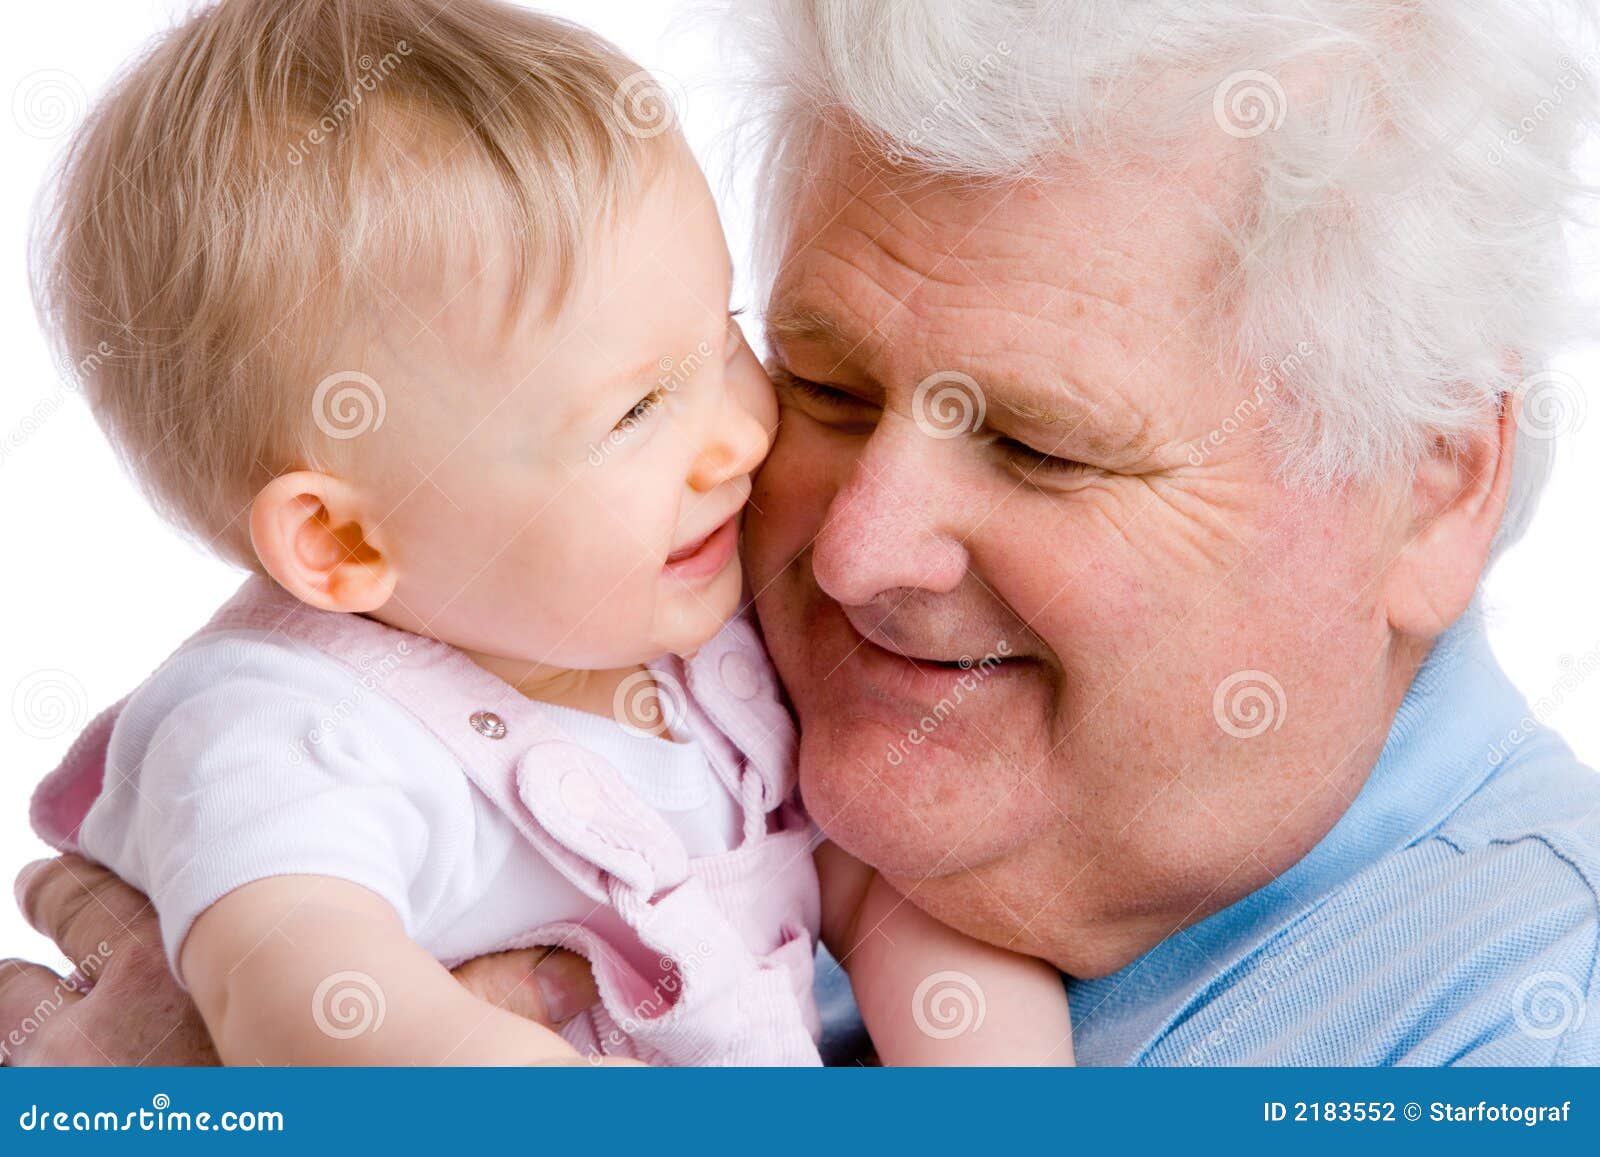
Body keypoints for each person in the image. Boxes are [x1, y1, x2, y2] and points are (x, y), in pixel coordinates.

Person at [8, 0, 1600, 1066]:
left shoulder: (1524, 1037)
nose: (853, 554)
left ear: (1432, 485)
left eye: (1041, 446)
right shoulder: (729, 718)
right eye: (825, 384)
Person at [3, 0, 1071, 1067]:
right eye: (635, 412)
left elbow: (878, 887)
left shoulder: (702, 641)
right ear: (341, 541)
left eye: (724, 335)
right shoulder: (283, 733)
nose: (741, 436)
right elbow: (302, 1004)